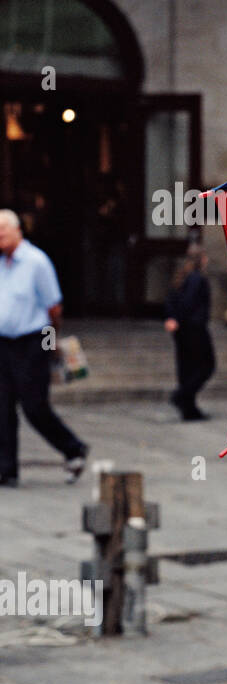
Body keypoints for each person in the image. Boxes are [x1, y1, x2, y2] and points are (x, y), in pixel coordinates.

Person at [0, 209, 88, 487]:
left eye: (3, 230)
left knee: (33, 405)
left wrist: (49, 345)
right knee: (1, 407)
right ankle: (6, 468)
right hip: (3, 343)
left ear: (18, 231)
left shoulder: (37, 262)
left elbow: (54, 308)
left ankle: (73, 448)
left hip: (33, 341)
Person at [163, 245, 216, 420]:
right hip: (193, 328)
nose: (207, 260)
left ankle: (189, 409)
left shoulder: (182, 276)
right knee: (206, 366)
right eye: (205, 257)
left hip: (181, 329)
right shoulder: (197, 279)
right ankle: (182, 396)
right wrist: (178, 318)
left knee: (187, 368)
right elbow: (188, 302)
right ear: (200, 259)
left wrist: (172, 318)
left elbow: (171, 299)